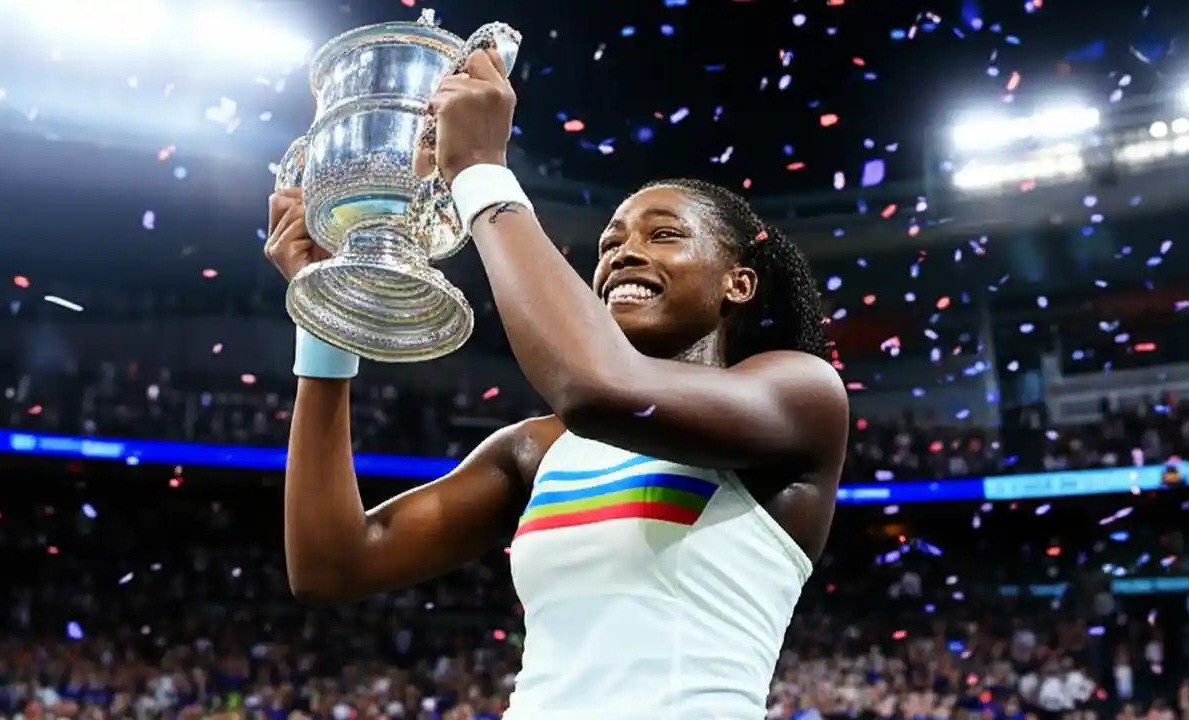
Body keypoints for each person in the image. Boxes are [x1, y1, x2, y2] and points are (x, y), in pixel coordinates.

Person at [264, 48, 848, 720]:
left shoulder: (800, 397)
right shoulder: (536, 450)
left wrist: (480, 173)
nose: (624, 253)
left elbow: (601, 390)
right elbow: (332, 565)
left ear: (737, 282)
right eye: (608, 244)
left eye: (664, 235)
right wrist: (334, 311)